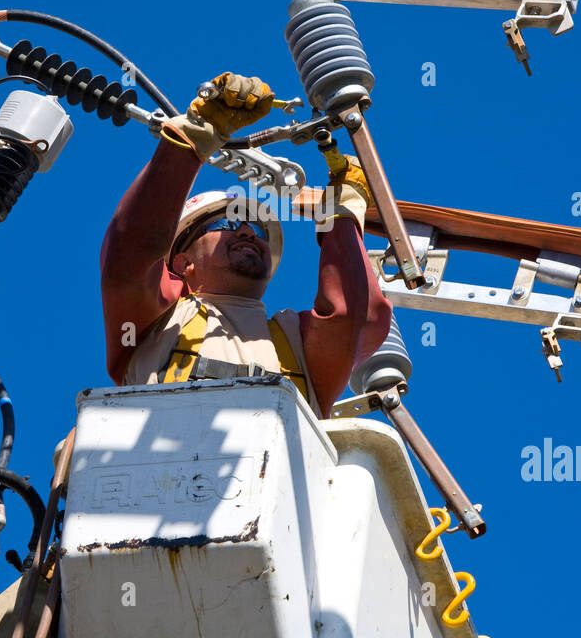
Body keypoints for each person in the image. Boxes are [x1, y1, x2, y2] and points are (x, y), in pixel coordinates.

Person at [100, 72, 392, 417]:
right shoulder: (159, 321)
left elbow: (357, 317)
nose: (248, 233)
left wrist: (342, 216)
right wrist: (193, 137)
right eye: (227, 224)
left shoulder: (295, 344)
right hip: (158, 466)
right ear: (182, 263)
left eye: (257, 230)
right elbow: (131, 251)